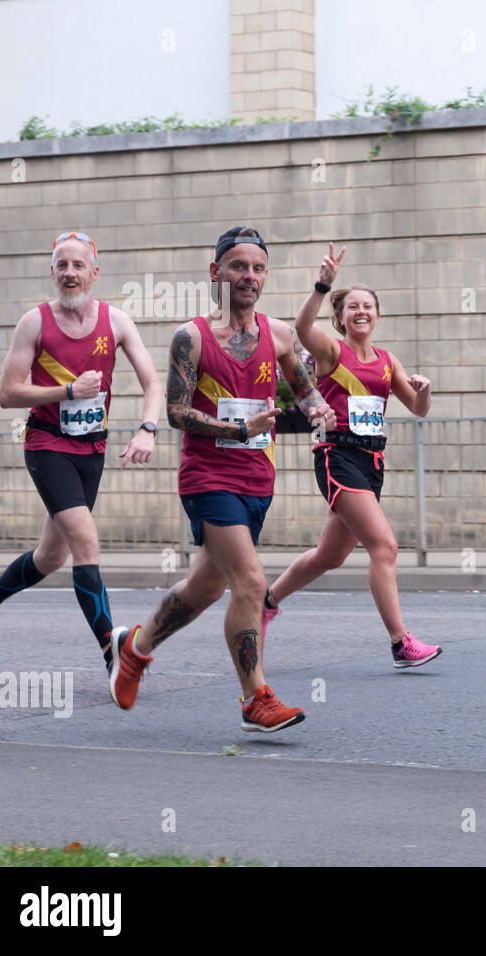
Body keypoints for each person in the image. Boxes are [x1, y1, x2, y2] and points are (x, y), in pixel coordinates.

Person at [110, 226, 334, 733]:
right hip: (208, 475)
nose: (248, 277)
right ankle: (255, 698)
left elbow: (304, 391)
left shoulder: (279, 334)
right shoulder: (191, 337)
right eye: (238, 266)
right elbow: (174, 411)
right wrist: (236, 428)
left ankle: (136, 649)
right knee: (252, 583)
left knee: (206, 587)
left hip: (259, 477)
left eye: (257, 268)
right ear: (216, 273)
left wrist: (321, 410)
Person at [0, 232, 161, 666]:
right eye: (62, 266)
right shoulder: (34, 322)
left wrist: (147, 428)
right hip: (46, 445)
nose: (70, 274)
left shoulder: (117, 322)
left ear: (95, 272)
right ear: (52, 272)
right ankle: (116, 655)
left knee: (51, 556)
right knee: (86, 542)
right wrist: (68, 390)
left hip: (90, 451)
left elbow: (152, 382)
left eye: (78, 266)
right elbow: (8, 393)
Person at [260, 244, 441, 669]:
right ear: (341, 317)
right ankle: (401, 643)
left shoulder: (386, 360)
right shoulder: (330, 352)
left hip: (372, 462)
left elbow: (417, 408)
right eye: (353, 307)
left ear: (377, 314)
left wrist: (425, 390)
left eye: (369, 306)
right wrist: (323, 285)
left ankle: (266, 601)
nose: (361, 312)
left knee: (331, 555)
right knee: (385, 546)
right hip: (337, 455)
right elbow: (301, 328)